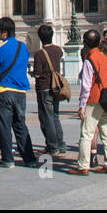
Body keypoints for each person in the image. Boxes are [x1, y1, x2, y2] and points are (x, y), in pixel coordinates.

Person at [0, 17, 37, 168]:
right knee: (20, 124)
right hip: (20, 91)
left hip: (4, 90)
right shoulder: (23, 47)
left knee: (4, 126)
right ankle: (29, 158)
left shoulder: (1, 48)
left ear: (4, 33)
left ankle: (8, 159)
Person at [73, 29, 107, 175]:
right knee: (106, 132)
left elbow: (86, 86)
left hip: (94, 100)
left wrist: (81, 106)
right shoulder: (106, 59)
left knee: (86, 133)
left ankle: (83, 165)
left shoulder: (89, 60)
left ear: (84, 43)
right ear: (99, 42)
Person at [33, 23, 65, 158]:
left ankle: (52, 146)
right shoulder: (58, 50)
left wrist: (33, 73)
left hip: (44, 87)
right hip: (56, 87)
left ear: (40, 38)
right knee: (55, 116)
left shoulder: (40, 54)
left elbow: (38, 73)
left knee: (47, 118)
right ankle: (61, 144)